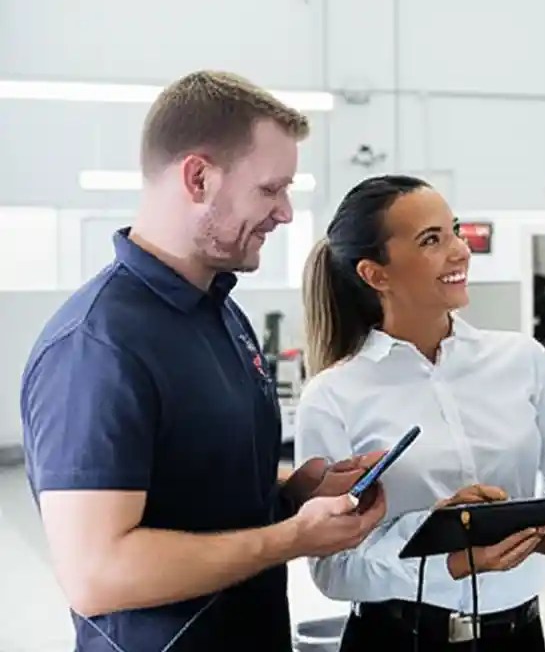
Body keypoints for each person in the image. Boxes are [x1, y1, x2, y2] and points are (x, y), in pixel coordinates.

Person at [19, 70, 389, 652]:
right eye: (271, 189)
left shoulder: (220, 314)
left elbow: (191, 484)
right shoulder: (97, 346)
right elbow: (98, 573)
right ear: (198, 177)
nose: (286, 213)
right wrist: (292, 538)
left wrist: (294, 490)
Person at [295, 174, 545, 651]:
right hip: (399, 639)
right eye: (432, 240)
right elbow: (333, 569)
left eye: (454, 230)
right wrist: (451, 556)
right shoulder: (334, 395)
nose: (460, 250)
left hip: (518, 636)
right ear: (376, 274)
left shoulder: (523, 361)